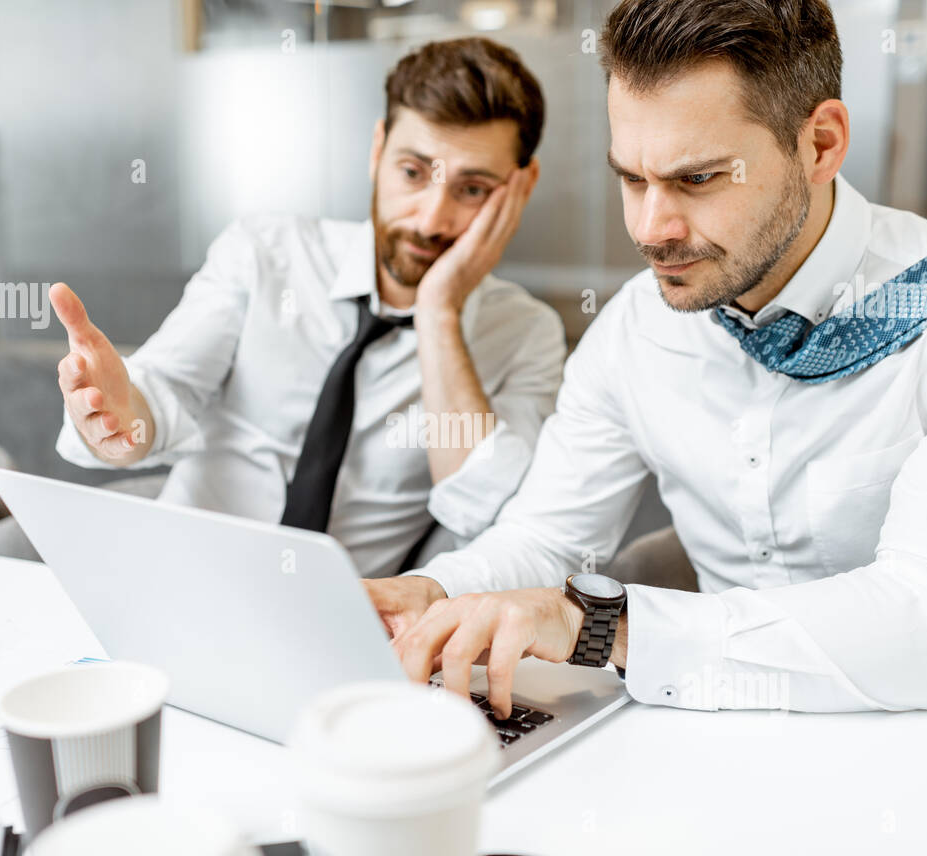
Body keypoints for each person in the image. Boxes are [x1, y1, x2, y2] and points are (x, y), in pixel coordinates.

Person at [366, 0, 927, 720]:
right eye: (632, 179)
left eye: (698, 179)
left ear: (821, 144)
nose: (651, 230)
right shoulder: (634, 330)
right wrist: (431, 592)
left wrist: (602, 627)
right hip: (723, 744)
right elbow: (544, 535)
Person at [50, 38, 564, 578]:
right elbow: (164, 390)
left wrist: (438, 312)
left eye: (473, 189)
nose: (431, 219)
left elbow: (481, 513)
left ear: (520, 188)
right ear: (377, 150)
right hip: (178, 582)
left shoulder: (527, 335)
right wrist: (122, 417)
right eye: (413, 173)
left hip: (350, 636)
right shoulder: (263, 254)